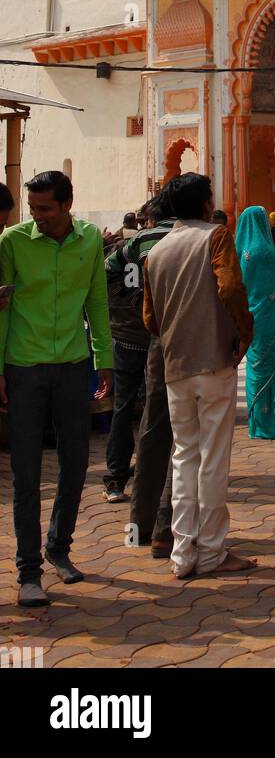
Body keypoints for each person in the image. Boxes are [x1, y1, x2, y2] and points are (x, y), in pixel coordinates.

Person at [0, 171, 113, 607]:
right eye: (33, 209)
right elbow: (3, 311)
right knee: (26, 472)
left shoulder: (89, 242)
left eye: (45, 209)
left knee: (77, 463)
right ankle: (28, 570)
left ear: (67, 205)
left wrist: (103, 360)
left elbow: (97, 302)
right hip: (23, 366)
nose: (37, 218)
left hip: (72, 364)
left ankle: (58, 549)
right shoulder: (12, 242)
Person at [142, 173, 256, 579]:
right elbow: (229, 287)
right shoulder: (215, 237)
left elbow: (149, 317)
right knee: (212, 459)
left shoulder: (157, 251)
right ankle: (210, 551)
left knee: (184, 455)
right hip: (213, 362)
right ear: (207, 203)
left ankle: (182, 553)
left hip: (176, 365)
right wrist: (244, 332)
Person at [102, 195, 167, 504]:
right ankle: (153, 476)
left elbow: (108, 270)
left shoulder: (134, 244)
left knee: (123, 405)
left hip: (128, 333)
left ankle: (115, 478)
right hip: (159, 336)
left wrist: (127, 302)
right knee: (159, 405)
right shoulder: (177, 239)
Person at [126, 192, 179, 559]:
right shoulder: (202, 239)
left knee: (154, 427)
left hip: (157, 336)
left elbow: (115, 269)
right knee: (188, 439)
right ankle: (168, 528)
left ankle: (140, 526)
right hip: (190, 340)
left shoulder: (140, 243)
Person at [235, 206, 275, 440]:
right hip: (270, 316)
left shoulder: (239, 251)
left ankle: (256, 423)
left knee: (255, 367)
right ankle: (273, 422)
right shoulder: (264, 252)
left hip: (250, 317)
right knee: (273, 366)